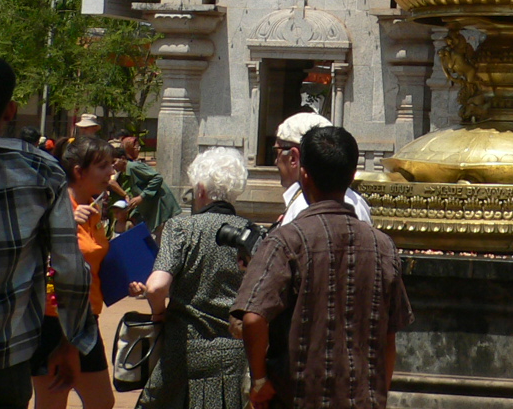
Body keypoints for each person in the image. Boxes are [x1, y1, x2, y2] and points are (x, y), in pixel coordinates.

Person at [234, 126, 410, 409]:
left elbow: (253, 318)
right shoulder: (383, 246)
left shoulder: (285, 241)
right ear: (352, 175)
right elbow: (389, 339)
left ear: (304, 174)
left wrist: (259, 382)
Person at [0, 56, 95, 409]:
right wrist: (70, 342)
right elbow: (69, 268)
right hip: (5, 361)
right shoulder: (40, 169)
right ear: (10, 110)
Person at [133, 148, 254, 409]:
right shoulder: (252, 232)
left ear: (200, 189)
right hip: (234, 352)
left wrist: (158, 315)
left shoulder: (181, 228)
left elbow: (156, 287)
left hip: (184, 348)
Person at [34, 135, 118, 409]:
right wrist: (64, 225)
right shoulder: (55, 209)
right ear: (79, 172)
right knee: (52, 403)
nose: (111, 173)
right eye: (103, 166)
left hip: (86, 319)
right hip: (53, 321)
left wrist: (128, 283)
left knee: (102, 402)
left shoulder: (93, 211)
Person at [271, 113, 372, 225]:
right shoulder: (357, 202)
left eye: (277, 153)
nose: (276, 161)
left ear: (293, 158)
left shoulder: (305, 206)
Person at [119, 134, 182, 234]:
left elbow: (157, 177)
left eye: (139, 147)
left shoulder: (134, 167)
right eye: (136, 147)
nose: (138, 150)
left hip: (159, 206)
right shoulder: (127, 168)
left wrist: (141, 197)